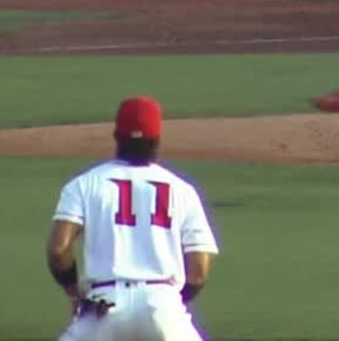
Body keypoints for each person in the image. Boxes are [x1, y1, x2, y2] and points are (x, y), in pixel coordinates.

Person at [46, 97, 220, 341]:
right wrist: (171, 303)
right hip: (162, 303)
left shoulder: (84, 184)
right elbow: (199, 270)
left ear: (116, 136)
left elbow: (58, 250)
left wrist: (73, 291)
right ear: (157, 139)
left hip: (104, 305)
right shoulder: (182, 190)